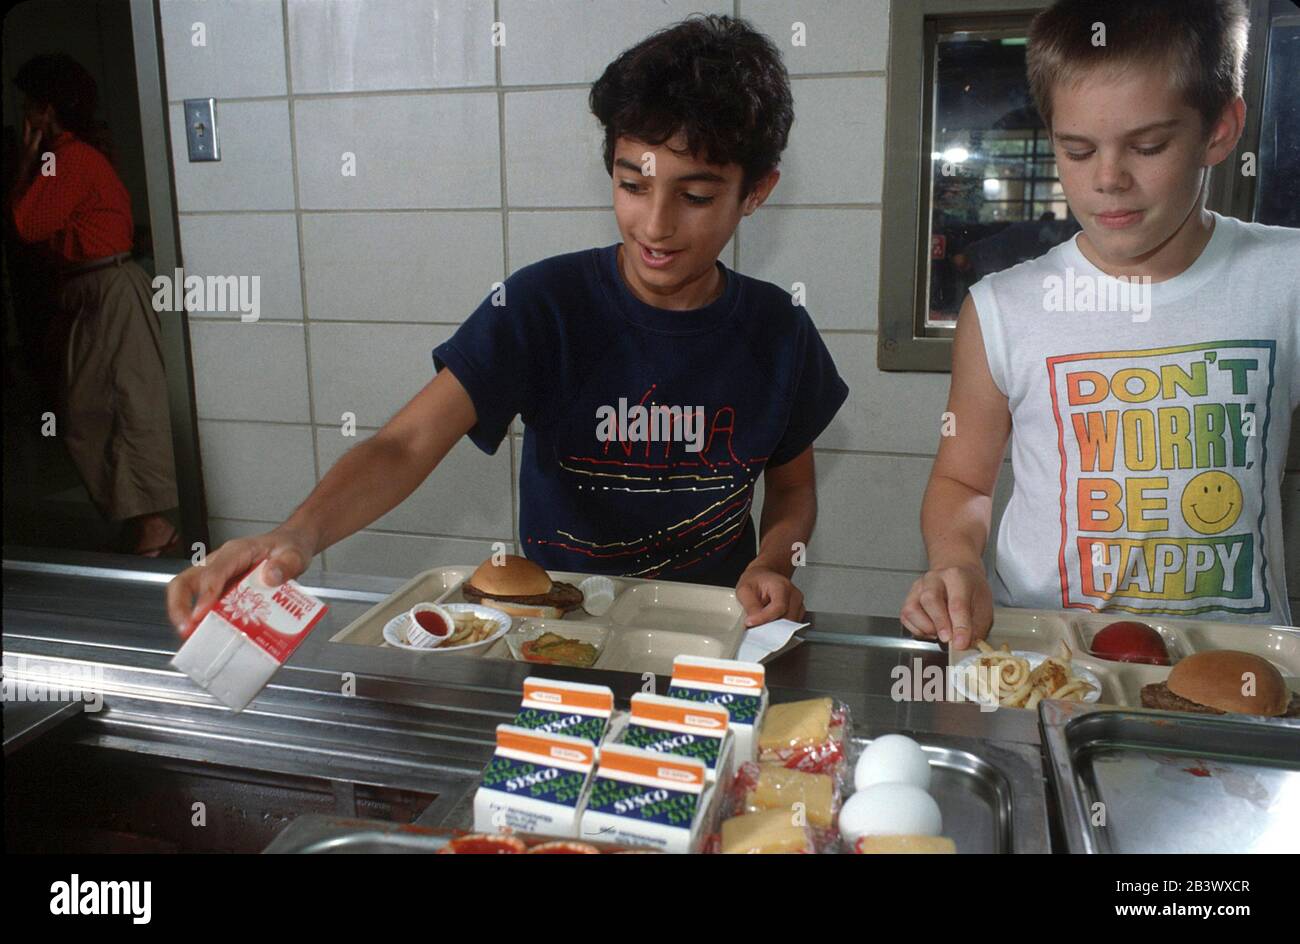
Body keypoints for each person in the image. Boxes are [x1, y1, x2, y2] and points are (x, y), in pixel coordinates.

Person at [167, 15, 848, 634]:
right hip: (562, 631)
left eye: (695, 196)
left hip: (713, 630)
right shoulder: (541, 306)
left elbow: (792, 490)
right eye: (632, 186)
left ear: (755, 191)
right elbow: (405, 445)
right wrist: (297, 533)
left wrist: (773, 567)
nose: (657, 225)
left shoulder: (778, 332)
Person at [903, 0, 1299, 649]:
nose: (1109, 179)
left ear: (1221, 130)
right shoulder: (1005, 308)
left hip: (1239, 663)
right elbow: (963, 481)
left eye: (1148, 145)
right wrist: (956, 560)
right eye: (1078, 149)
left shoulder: (1285, 278)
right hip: (1044, 655)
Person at [9, 53, 180, 556]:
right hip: (96, 288)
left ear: (44, 110)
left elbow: (25, 225)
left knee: (121, 407)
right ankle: (146, 518)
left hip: (107, 288)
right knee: (95, 410)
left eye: (29, 105)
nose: (25, 114)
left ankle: (154, 523)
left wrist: (25, 157)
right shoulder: (66, 156)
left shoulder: (67, 158)